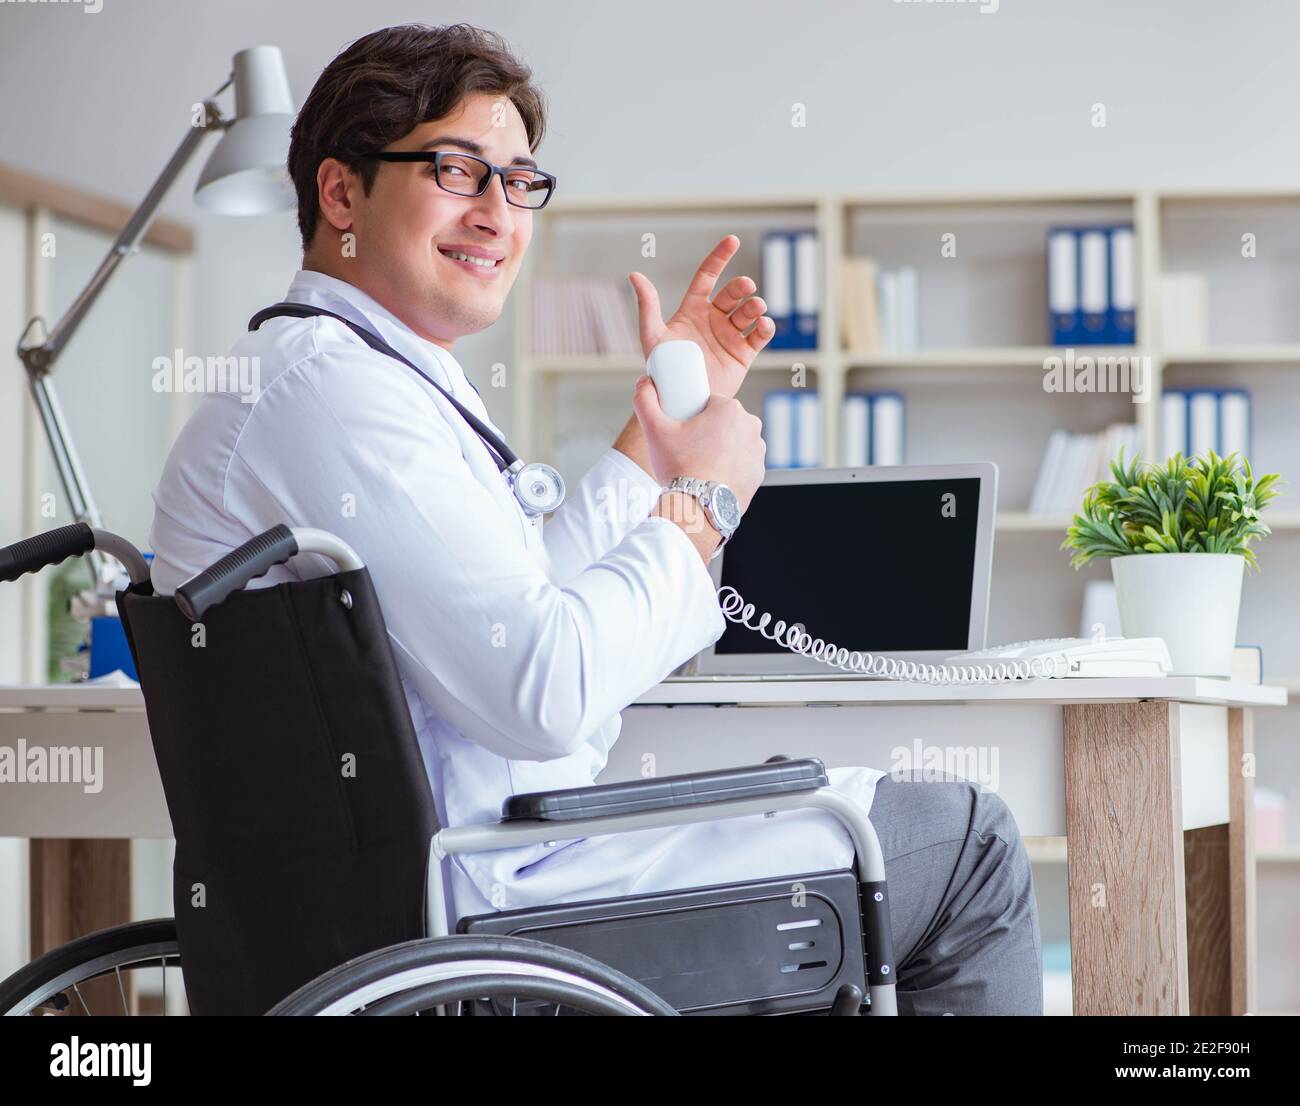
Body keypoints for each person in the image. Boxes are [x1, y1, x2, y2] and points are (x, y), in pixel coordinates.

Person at [149, 22, 1042, 1014]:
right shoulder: (333, 393)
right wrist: (700, 507)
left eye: (520, 182)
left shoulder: (344, 378)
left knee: (861, 815)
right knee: (965, 842)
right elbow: (544, 687)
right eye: (458, 171)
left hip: (456, 891)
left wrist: (653, 441)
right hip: (490, 916)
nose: (499, 214)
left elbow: (517, 604)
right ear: (341, 191)